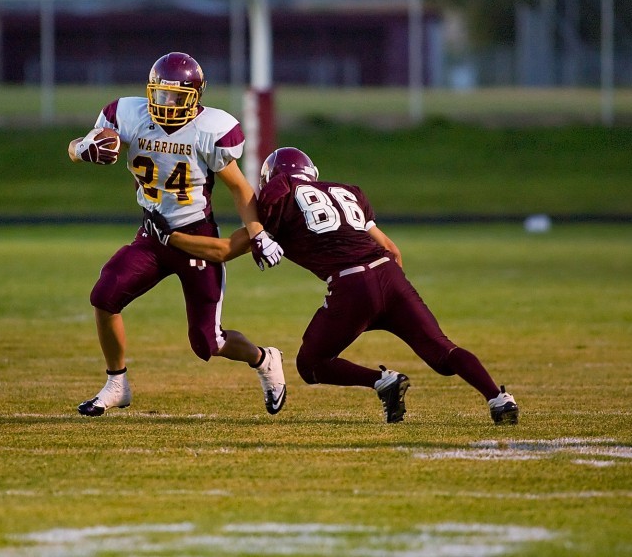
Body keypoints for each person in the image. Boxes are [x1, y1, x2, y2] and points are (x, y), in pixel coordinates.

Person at [144, 147, 519, 424]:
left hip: (351, 286)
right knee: (442, 352)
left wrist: (171, 239)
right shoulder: (347, 191)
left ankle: (382, 380)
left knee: (310, 364)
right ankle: (498, 398)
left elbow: (224, 250)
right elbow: (390, 248)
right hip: (390, 274)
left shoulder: (280, 198)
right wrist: (392, 297)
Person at [67, 51, 287, 417]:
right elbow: (75, 147)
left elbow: (239, 188)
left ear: (196, 97)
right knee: (105, 295)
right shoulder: (128, 114)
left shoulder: (210, 129)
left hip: (195, 237)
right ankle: (116, 382)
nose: (167, 105)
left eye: (176, 98)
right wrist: (82, 149)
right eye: (161, 95)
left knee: (207, 342)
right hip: (153, 234)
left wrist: (257, 231)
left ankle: (265, 359)